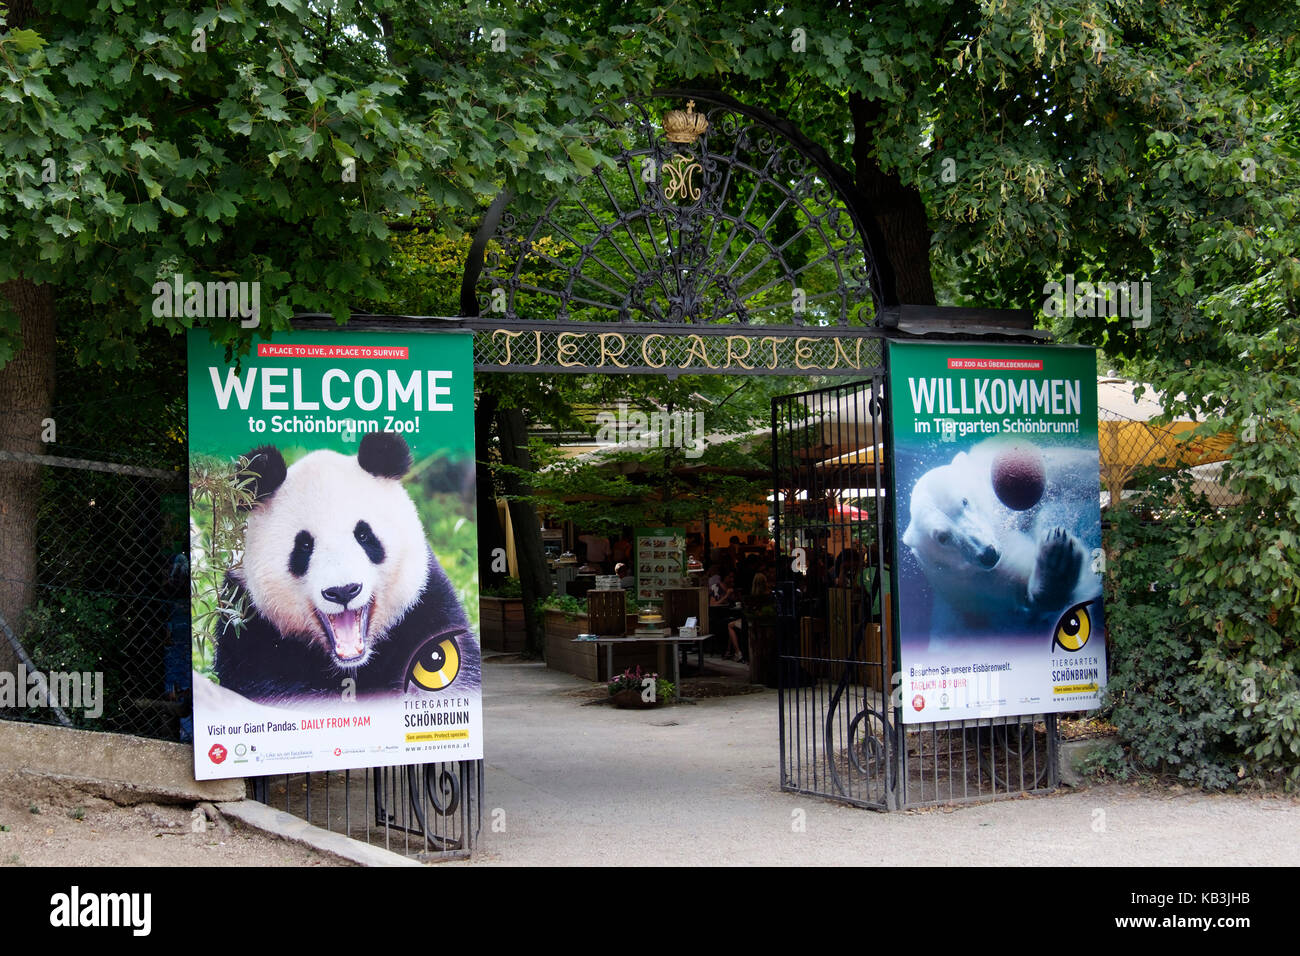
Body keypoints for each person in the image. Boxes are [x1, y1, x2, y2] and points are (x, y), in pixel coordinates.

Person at [727, 567, 768, 664]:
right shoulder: (768, 595)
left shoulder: (750, 597)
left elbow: (747, 613)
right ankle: (734, 652)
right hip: (761, 623)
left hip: (751, 624)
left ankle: (738, 652)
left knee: (730, 625)